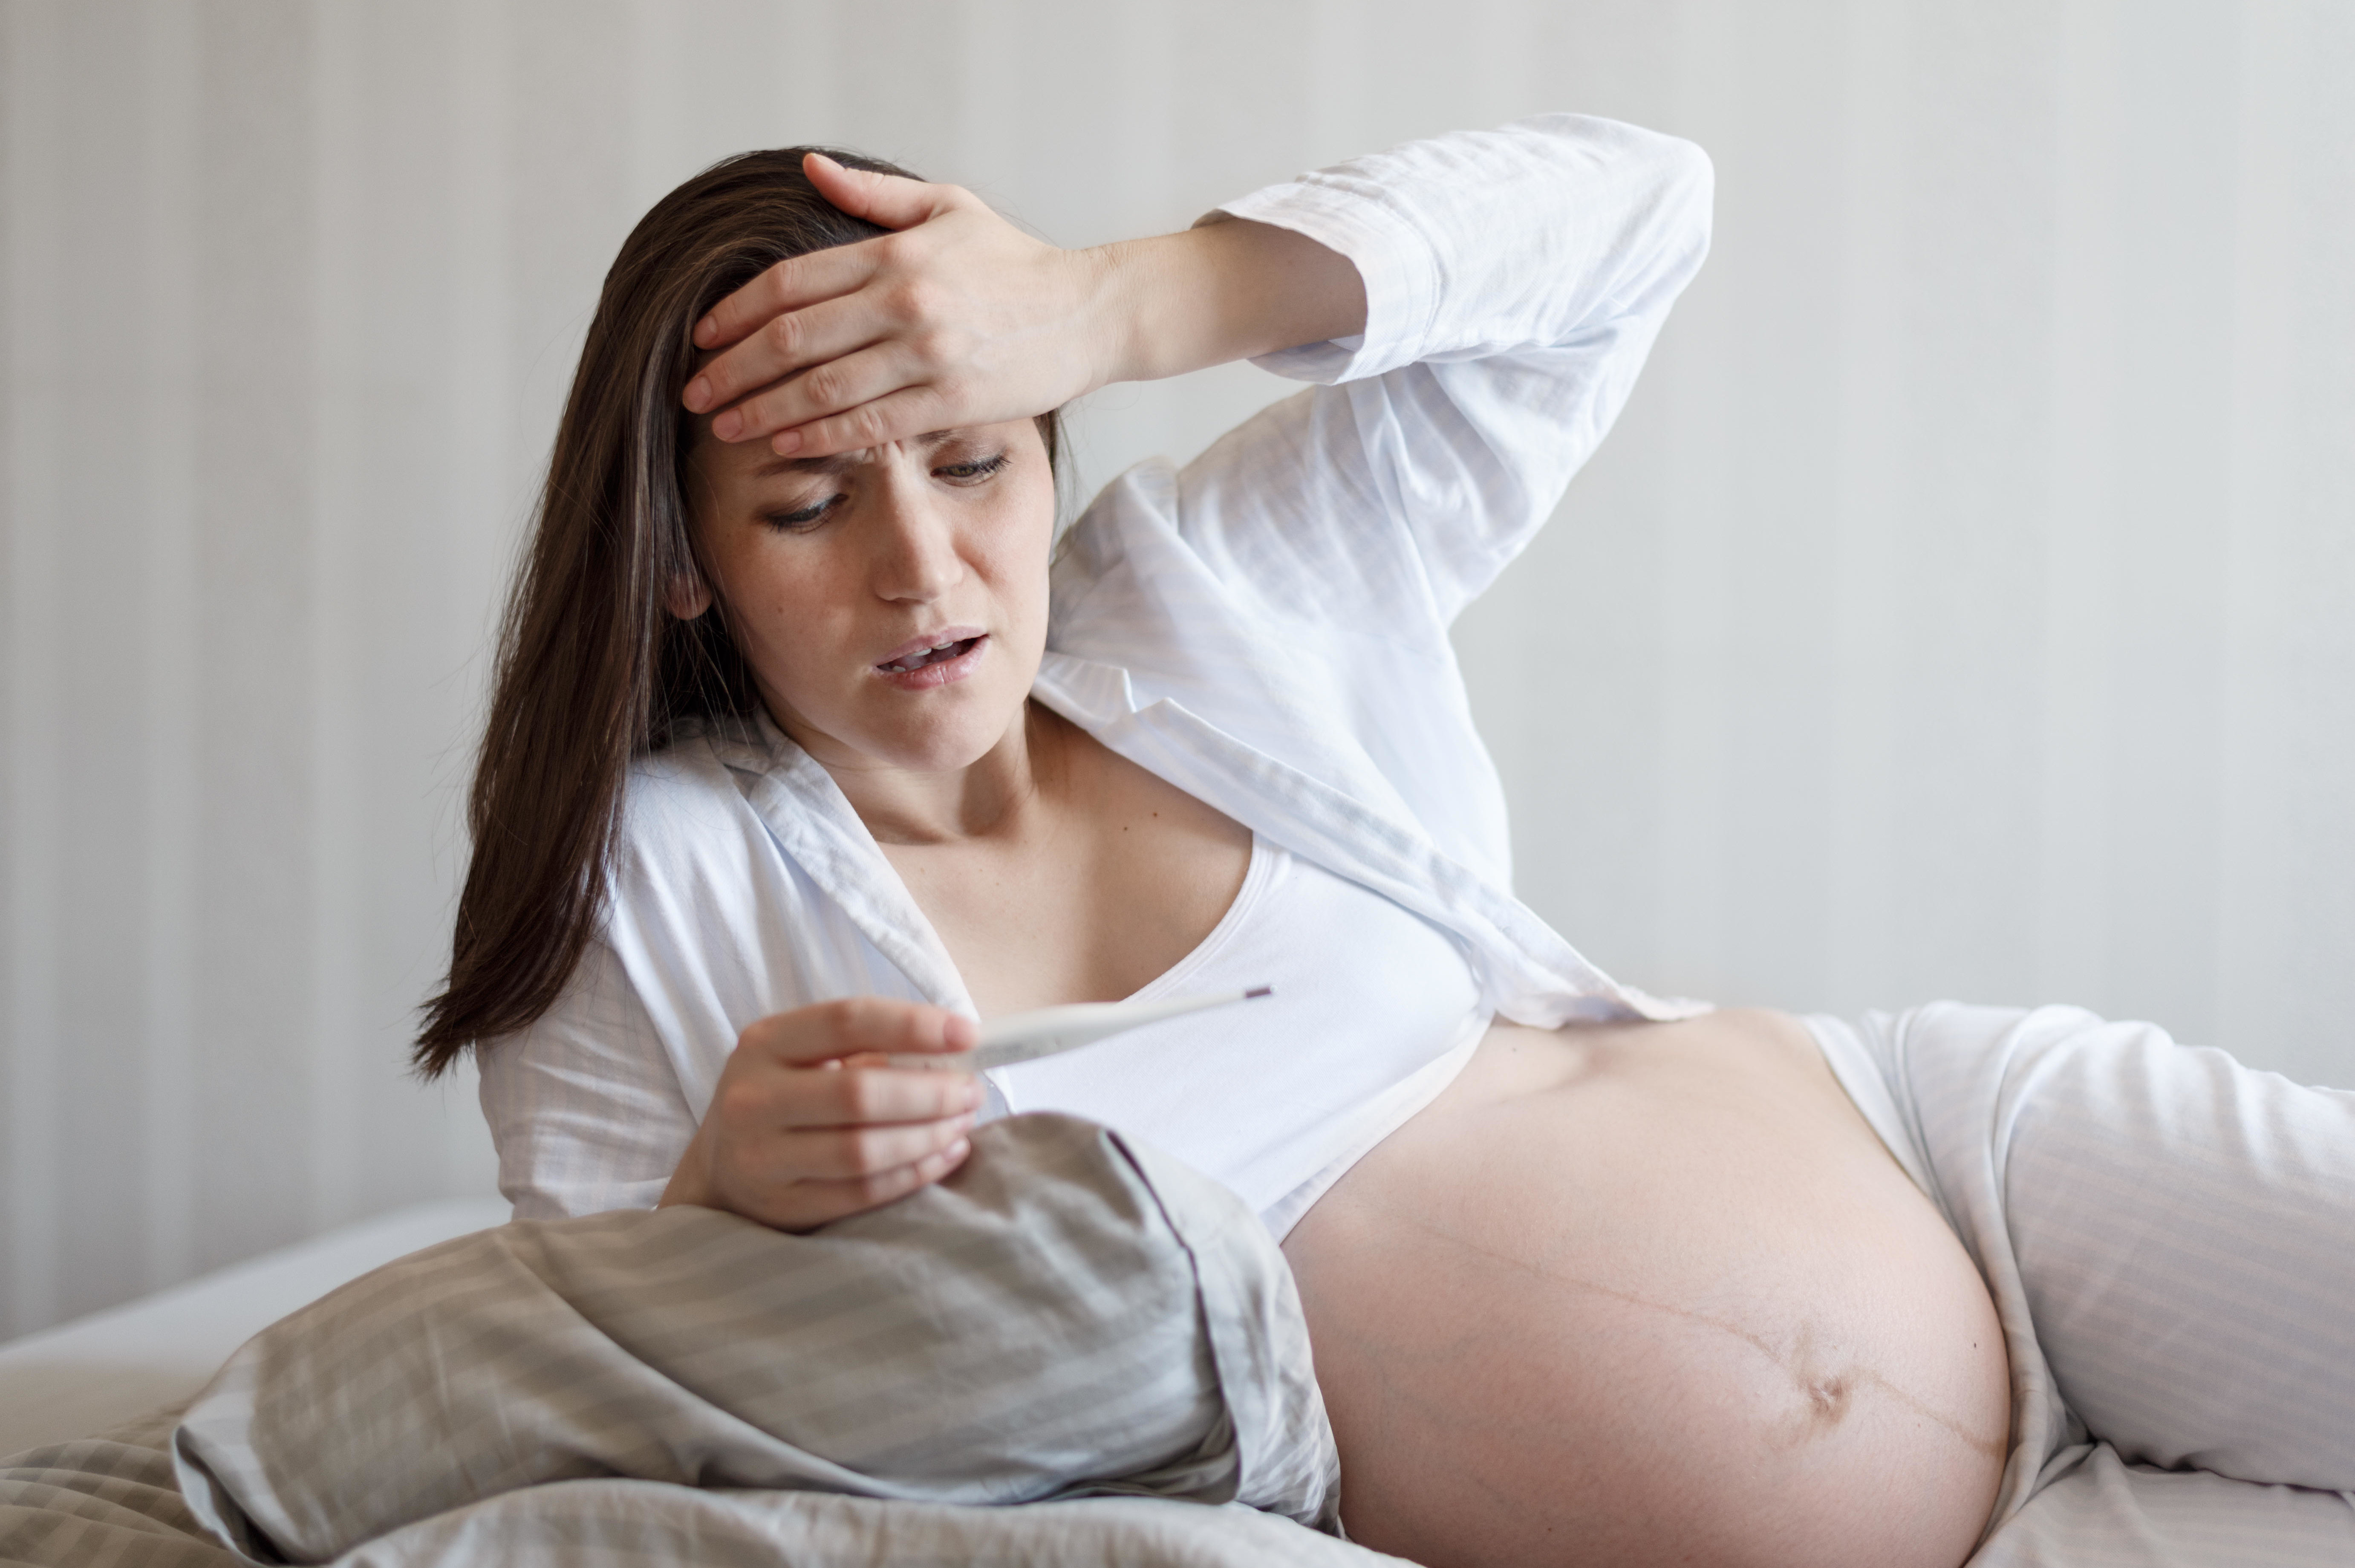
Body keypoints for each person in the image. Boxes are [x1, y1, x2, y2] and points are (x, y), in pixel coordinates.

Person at [416, 118, 2355, 1568]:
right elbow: (581, 1433)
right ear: (678, 561)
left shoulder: (1204, 591)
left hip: (1962, 1168)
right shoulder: (649, 886)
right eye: (808, 504)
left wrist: (1109, 302)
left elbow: (1636, 216)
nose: (924, 567)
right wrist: (715, 1219)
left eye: (975, 454)